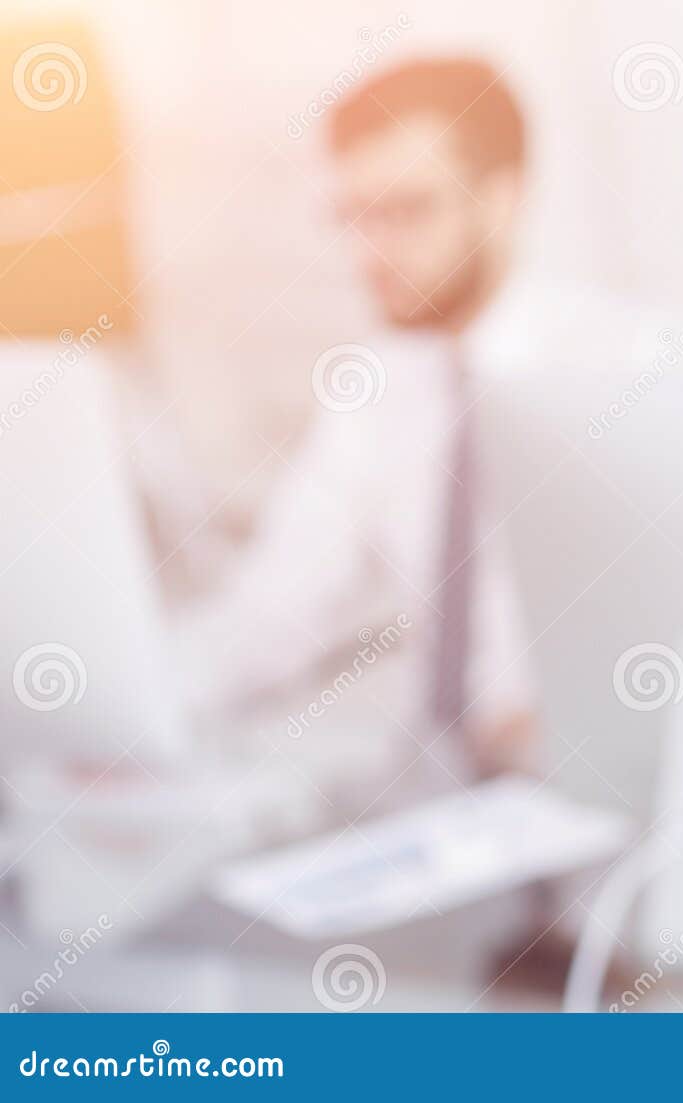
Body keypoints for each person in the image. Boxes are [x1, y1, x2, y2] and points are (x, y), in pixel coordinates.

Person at [174, 57, 543, 788]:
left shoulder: (630, 371)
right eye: (354, 217)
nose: (369, 253)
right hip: (454, 808)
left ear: (500, 200)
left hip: (606, 815)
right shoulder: (378, 391)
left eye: (405, 211)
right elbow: (270, 615)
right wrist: (125, 710)